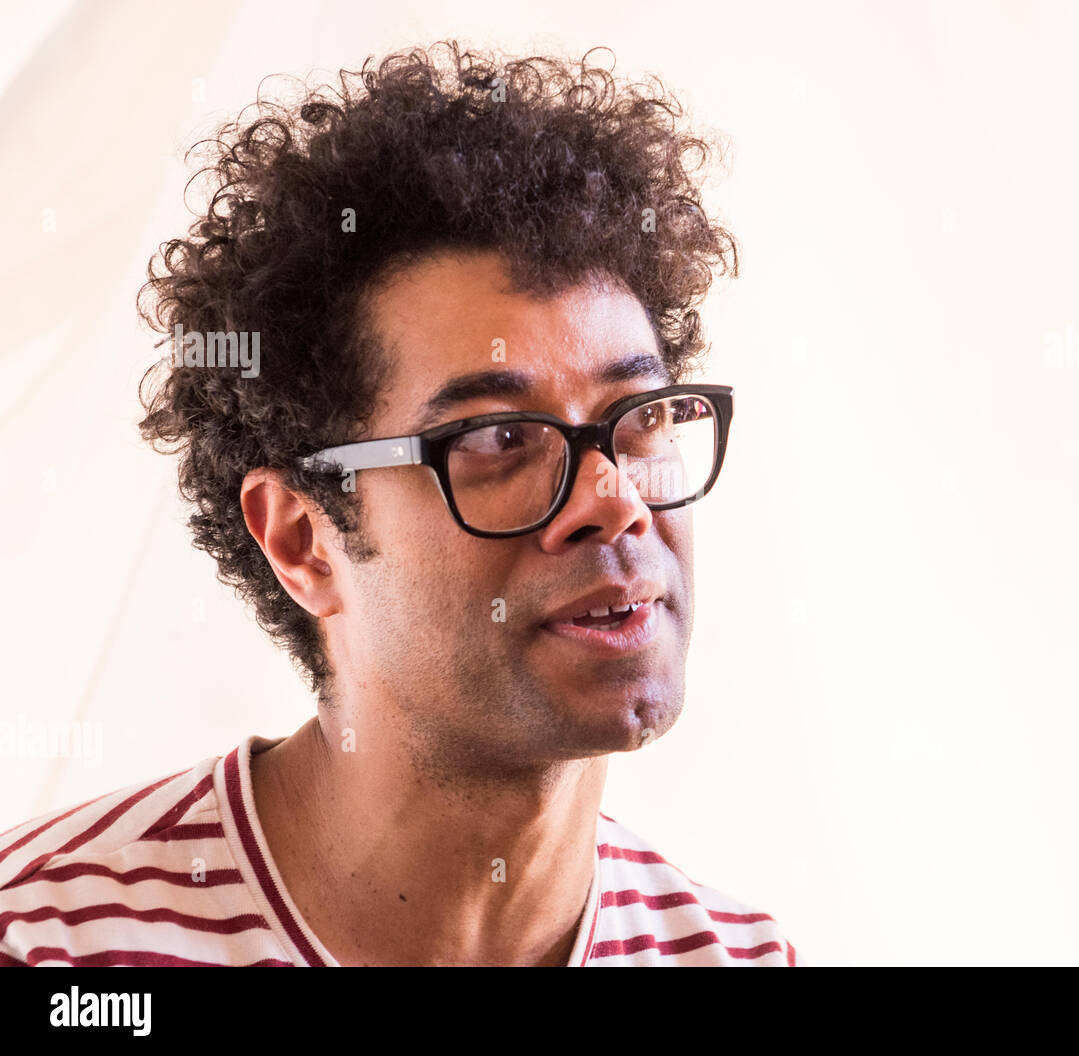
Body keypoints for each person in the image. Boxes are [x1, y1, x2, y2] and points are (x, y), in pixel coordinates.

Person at [0, 42, 800, 967]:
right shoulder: (50, 948)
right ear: (302, 541)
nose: (612, 502)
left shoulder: (735, 956)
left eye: (640, 417)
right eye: (499, 441)